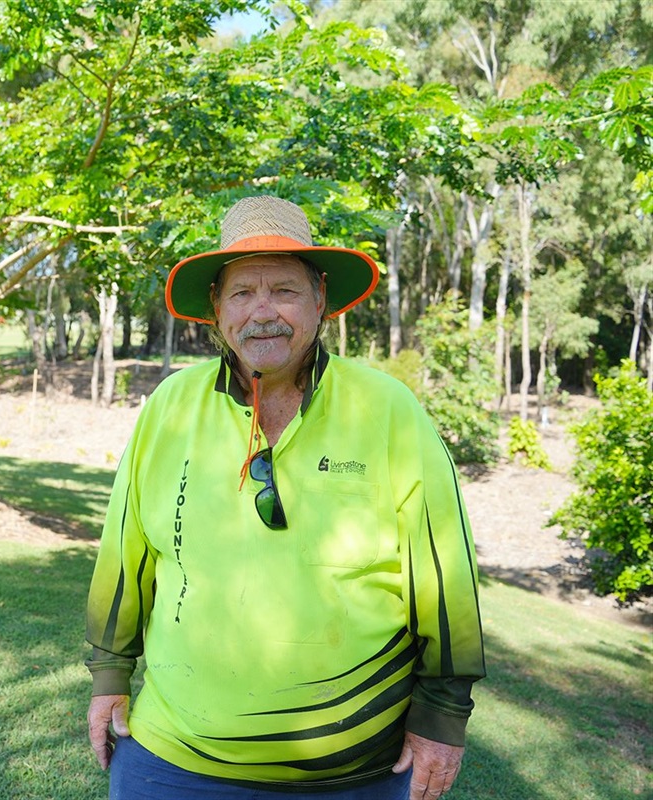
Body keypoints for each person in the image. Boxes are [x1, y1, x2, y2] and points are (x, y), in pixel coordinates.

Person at [85, 195, 485, 800]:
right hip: (171, 762)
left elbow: (444, 576)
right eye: (243, 292)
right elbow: (125, 557)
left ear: (321, 299)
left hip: (358, 774)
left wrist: (442, 720)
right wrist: (109, 676)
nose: (262, 312)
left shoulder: (387, 410)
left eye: (285, 291)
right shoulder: (169, 406)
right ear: (217, 308)